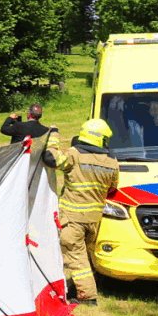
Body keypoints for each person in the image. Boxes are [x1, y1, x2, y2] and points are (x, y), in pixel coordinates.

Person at [41, 118, 119, 306]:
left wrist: (53, 135)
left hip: (73, 218)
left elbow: (50, 157)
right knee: (86, 256)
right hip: (95, 219)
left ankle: (87, 296)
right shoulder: (112, 161)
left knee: (75, 256)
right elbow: (112, 188)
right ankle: (81, 286)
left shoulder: (75, 155)